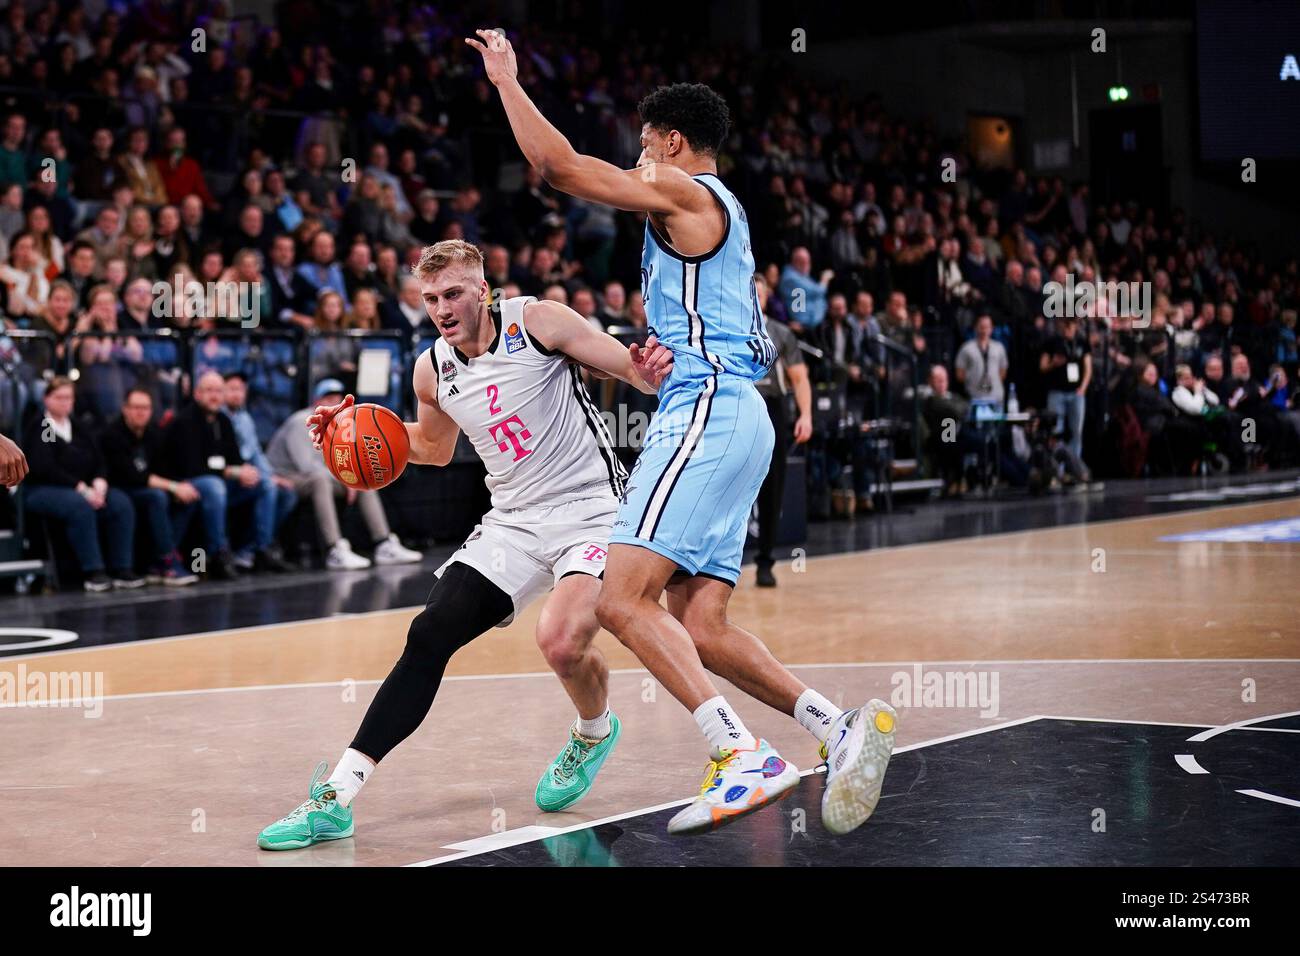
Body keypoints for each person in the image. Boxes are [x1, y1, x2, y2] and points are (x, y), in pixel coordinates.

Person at [471, 29, 896, 837]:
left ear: (670, 144)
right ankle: (836, 728)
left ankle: (741, 756)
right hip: (740, 415)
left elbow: (560, 168)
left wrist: (506, 81)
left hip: (707, 411)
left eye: (642, 147)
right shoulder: (717, 213)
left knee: (618, 597)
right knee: (698, 623)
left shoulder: (684, 192)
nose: (636, 160)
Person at [256, 240, 673, 850]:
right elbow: (431, 448)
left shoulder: (540, 321)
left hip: (590, 509)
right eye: (430, 299)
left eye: (453, 294)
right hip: (511, 522)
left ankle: (592, 730)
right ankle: (335, 799)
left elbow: (630, 370)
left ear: (482, 290)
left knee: (559, 642)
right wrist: (349, 438)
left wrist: (649, 369)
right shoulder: (432, 369)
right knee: (428, 634)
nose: (442, 309)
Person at [265, 378, 423, 571]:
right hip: (285, 477)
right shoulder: (302, 421)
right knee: (320, 480)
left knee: (363, 477)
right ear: (316, 401)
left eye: (337, 399)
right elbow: (306, 467)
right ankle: (334, 549)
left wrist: (351, 479)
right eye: (328, 398)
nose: (334, 403)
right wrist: (344, 479)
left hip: (316, 476)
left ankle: (383, 544)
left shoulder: (340, 425)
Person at [22, 377, 144, 591]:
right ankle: (93, 571)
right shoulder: (44, 427)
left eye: (69, 398)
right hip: (44, 489)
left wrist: (99, 482)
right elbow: (46, 467)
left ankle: (122, 568)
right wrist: (80, 488)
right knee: (80, 506)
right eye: (59, 397)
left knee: (120, 503)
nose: (64, 402)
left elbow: (98, 459)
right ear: (46, 399)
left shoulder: (78, 426)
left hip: (85, 487)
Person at [162, 371, 283, 580]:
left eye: (218, 391)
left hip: (220, 483)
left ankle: (260, 549)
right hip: (188, 483)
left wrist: (245, 472)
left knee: (265, 484)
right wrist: (232, 471)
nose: (214, 396)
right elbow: (192, 467)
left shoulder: (223, 421)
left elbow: (234, 460)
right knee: (214, 486)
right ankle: (218, 552)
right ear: (197, 394)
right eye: (209, 391)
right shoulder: (185, 421)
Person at [99, 387, 199, 585]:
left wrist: (179, 485)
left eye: (145, 408)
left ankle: (159, 560)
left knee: (190, 496)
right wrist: (172, 486)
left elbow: (165, 467)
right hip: (118, 487)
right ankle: (167, 560)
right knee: (157, 497)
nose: (140, 412)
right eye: (136, 407)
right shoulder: (111, 434)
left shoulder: (154, 433)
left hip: (145, 486)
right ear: (125, 409)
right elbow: (131, 474)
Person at [752, 272, 812, 587]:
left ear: (766, 297)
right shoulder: (725, 330)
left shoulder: (780, 333)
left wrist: (806, 415)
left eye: (759, 293)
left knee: (772, 487)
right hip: (737, 408)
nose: (754, 297)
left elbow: (799, 378)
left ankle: (765, 561)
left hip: (773, 409)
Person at [221, 372, 296, 571]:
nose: (237, 394)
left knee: (287, 493)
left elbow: (256, 454)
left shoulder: (245, 419)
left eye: (241, 390)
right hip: (227, 478)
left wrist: (271, 475)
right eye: (232, 389)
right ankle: (263, 549)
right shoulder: (218, 418)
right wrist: (246, 474)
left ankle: (249, 549)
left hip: (249, 476)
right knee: (266, 486)